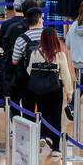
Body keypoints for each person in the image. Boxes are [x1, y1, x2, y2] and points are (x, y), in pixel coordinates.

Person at [24, 26, 74, 154]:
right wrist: (69, 92)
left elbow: (29, 70)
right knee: (56, 117)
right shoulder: (60, 55)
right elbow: (65, 75)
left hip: (39, 90)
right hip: (54, 90)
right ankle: (56, 147)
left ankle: (43, 136)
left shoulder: (35, 53)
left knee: (42, 113)